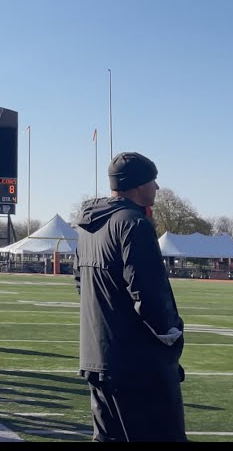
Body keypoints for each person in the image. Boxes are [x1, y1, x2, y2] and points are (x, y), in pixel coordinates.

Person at [73, 151, 187, 442]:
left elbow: (80, 283)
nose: (157, 187)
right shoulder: (133, 223)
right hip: (135, 364)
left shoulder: (88, 226)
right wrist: (172, 335)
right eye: (153, 180)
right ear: (137, 184)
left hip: (97, 356)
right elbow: (148, 293)